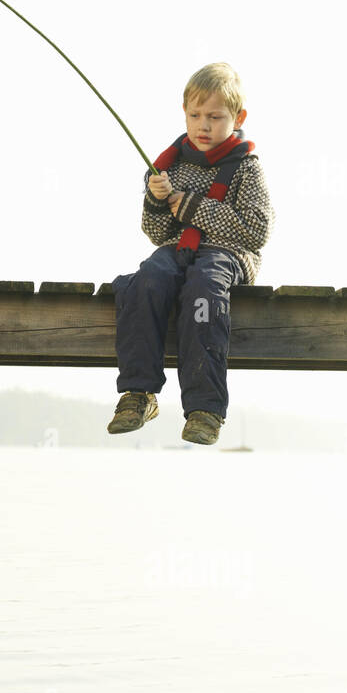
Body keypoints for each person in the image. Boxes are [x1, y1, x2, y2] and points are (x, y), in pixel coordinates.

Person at [107, 62, 275, 445]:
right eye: (195, 115)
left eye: (215, 117)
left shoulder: (247, 167)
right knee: (145, 280)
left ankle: (205, 408)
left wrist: (191, 208)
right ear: (184, 114)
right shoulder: (172, 166)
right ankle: (137, 393)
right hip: (176, 251)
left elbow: (256, 231)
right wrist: (156, 200)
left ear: (238, 117)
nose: (204, 125)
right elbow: (156, 233)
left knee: (203, 292)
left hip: (227, 255)